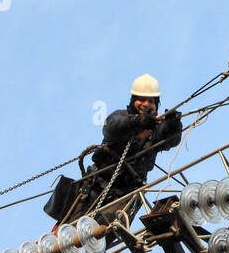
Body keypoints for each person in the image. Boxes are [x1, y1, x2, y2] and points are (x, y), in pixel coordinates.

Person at [68, 74, 183, 225]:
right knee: (68, 235)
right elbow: (113, 127)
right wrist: (138, 122)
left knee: (98, 238)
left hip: (123, 199)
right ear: (133, 100)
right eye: (141, 99)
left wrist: (173, 126)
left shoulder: (155, 131)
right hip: (94, 191)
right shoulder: (120, 116)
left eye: (151, 101)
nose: (146, 104)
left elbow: (169, 139)